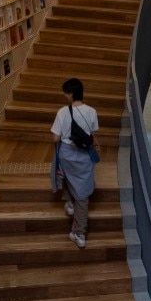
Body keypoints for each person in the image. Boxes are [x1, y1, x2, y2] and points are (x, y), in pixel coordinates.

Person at [51, 78, 98, 248]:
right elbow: (92, 133)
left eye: (66, 93)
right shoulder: (92, 111)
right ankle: (79, 234)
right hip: (84, 156)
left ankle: (69, 201)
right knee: (83, 195)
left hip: (67, 154)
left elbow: (56, 137)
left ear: (71, 94)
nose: (65, 96)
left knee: (63, 174)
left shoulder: (62, 112)